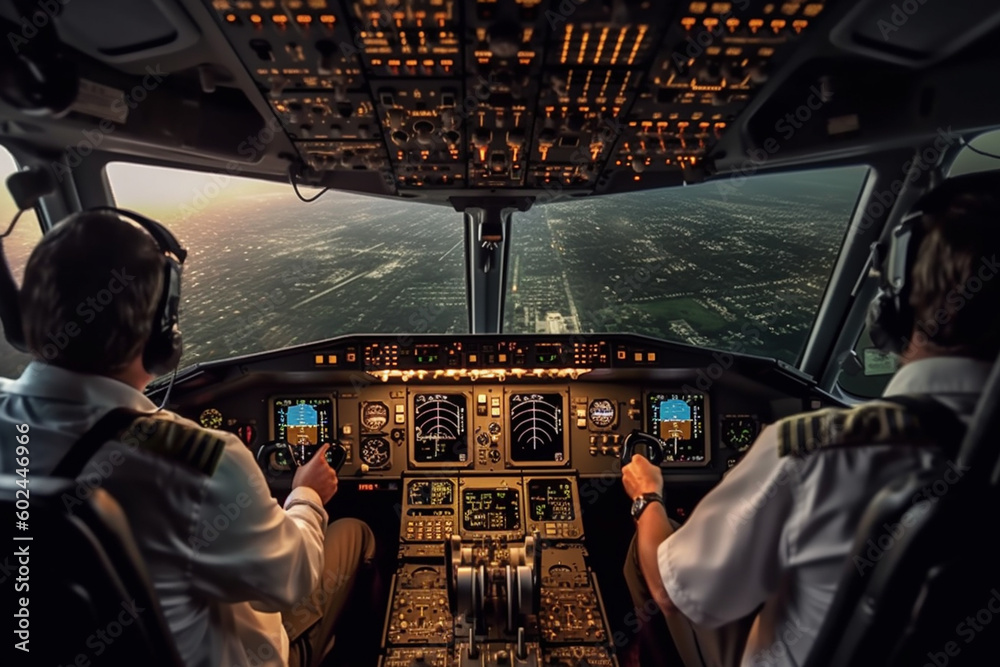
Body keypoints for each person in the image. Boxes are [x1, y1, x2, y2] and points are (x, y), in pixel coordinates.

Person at [621, 173, 1000, 666]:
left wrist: (647, 495)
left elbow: (674, 592)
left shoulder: (818, 448)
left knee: (650, 547)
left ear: (894, 303)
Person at [0, 210, 375, 667]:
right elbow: (293, 581)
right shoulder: (200, 461)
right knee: (356, 531)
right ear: (163, 333)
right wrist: (305, 496)